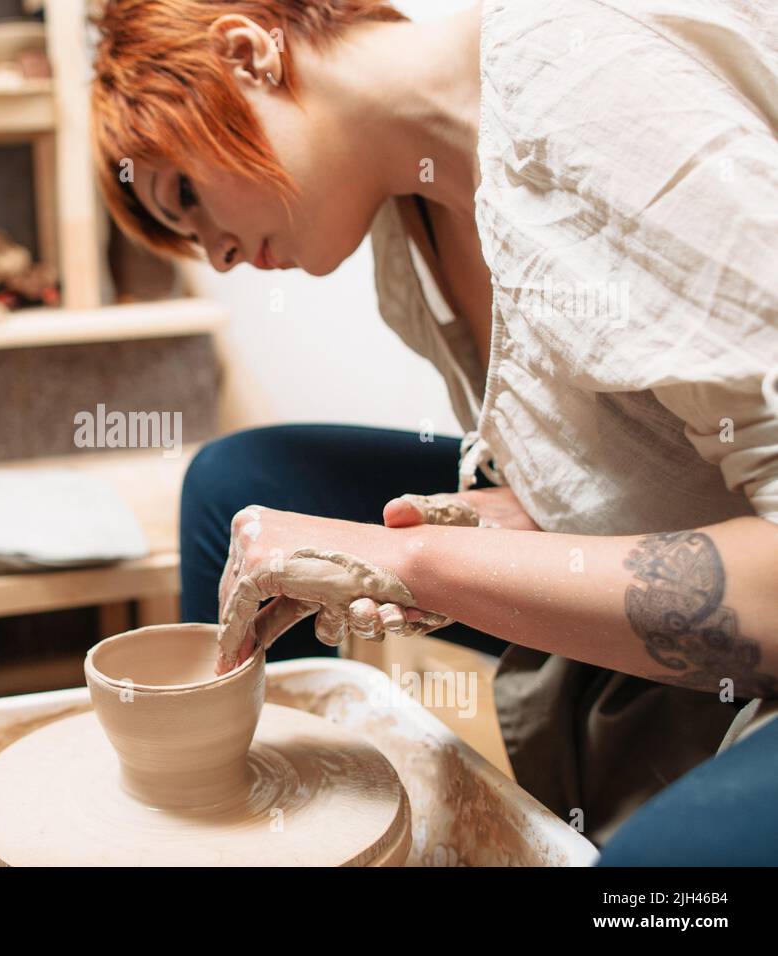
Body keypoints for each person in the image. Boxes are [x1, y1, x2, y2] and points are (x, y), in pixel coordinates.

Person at [90, 0, 778, 862]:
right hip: (692, 525)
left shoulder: (586, 87)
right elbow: (624, 431)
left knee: (660, 890)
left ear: (245, 52)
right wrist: (510, 511)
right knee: (238, 491)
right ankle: (228, 804)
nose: (217, 255)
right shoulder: (402, 211)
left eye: (184, 193)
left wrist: (418, 563)